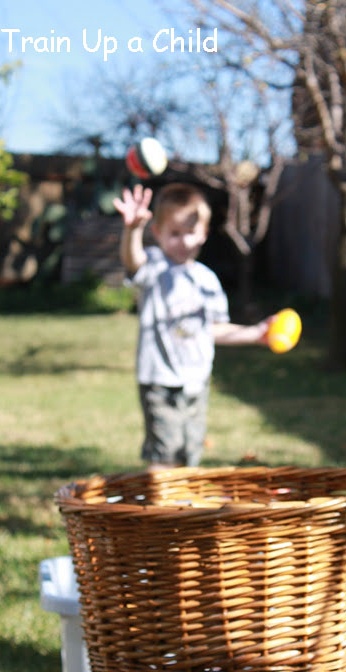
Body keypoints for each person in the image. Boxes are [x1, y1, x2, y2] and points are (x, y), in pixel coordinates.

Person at [113, 181, 272, 467]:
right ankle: (160, 509)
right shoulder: (154, 267)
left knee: (190, 452)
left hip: (196, 382)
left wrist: (256, 333)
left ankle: (182, 508)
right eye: (174, 233)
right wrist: (132, 229)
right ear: (157, 232)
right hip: (160, 381)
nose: (184, 241)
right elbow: (132, 260)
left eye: (191, 232)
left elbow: (214, 329)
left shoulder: (206, 280)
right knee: (165, 452)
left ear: (204, 234)